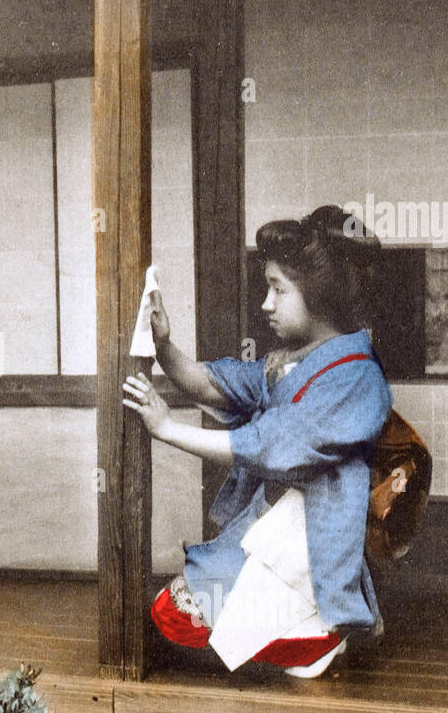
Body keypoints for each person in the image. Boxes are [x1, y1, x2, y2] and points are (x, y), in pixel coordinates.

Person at [122, 206, 391, 678]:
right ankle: (307, 639)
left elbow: (268, 445)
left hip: (313, 536)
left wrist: (167, 430)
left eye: (278, 289)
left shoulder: (358, 377)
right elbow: (213, 384)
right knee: (172, 612)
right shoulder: (289, 362)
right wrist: (164, 345)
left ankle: (320, 637)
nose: (266, 303)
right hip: (275, 523)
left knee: (184, 618)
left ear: (319, 295)